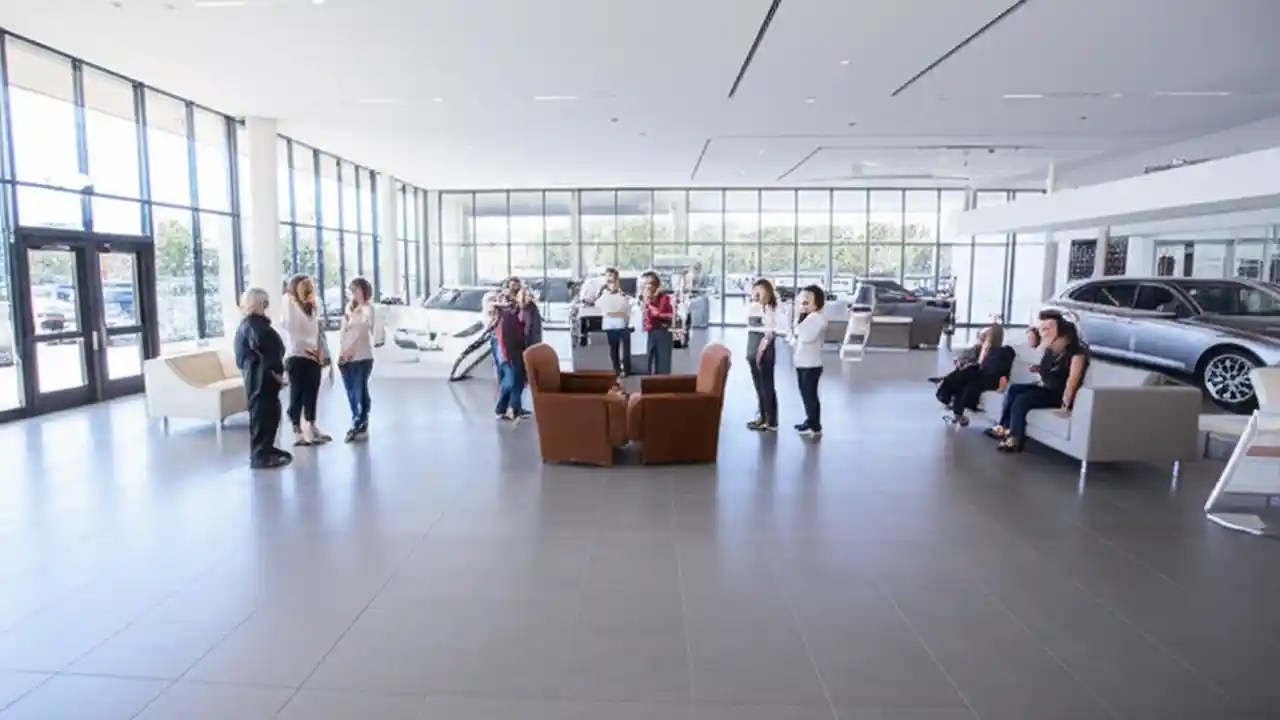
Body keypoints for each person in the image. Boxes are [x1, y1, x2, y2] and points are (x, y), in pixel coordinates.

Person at [986, 315, 1089, 453]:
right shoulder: (1052, 352)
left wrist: (1065, 406)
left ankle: (1015, 438)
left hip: (1057, 394)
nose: (1051, 341)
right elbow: (1048, 371)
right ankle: (1003, 427)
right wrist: (1039, 370)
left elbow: (1072, 380)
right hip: (1046, 389)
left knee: (1022, 401)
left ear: (1066, 338)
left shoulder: (1077, 354)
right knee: (1014, 389)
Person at [234, 288, 291, 470]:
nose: (267, 305)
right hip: (259, 377)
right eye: (264, 301)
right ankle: (260, 455)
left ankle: (267, 448)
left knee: (270, 413)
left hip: (264, 377)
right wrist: (273, 371)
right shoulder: (252, 324)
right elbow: (263, 347)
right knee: (262, 414)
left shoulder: (257, 323)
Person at [282, 274, 332, 446]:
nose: (309, 290)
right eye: (305, 286)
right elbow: (292, 332)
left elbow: (315, 332)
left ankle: (312, 427)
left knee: (312, 392)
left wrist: (318, 351)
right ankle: (297, 430)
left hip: (313, 355)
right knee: (297, 393)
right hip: (296, 356)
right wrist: (308, 349)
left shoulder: (312, 307)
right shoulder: (290, 305)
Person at [939, 325, 1015, 426]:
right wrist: (982, 351)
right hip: (981, 375)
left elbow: (995, 370)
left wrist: (983, 354)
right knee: (966, 377)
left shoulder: (1005, 351)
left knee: (969, 371)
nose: (983, 339)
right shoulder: (982, 348)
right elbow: (978, 363)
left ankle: (945, 389)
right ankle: (953, 404)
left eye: (986, 336)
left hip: (992, 378)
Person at [746, 278, 789, 432]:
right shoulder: (753, 306)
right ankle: (762, 416)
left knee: (767, 385)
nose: (756, 293)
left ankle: (771, 420)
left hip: (765, 350)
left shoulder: (775, 308)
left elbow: (782, 326)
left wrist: (768, 317)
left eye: (760, 290)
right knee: (758, 386)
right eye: (755, 290)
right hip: (752, 349)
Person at [337, 277, 375, 443]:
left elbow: (365, 329)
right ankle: (357, 418)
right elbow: (344, 331)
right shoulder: (349, 308)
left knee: (359, 389)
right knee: (351, 390)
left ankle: (359, 421)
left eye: (357, 290)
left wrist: (352, 350)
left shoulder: (368, 309)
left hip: (362, 356)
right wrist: (343, 352)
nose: (353, 293)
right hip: (346, 356)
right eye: (352, 290)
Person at [492, 277, 532, 420]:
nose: (516, 288)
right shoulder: (503, 306)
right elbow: (500, 329)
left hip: (516, 346)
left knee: (518, 378)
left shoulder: (522, 307)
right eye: (512, 285)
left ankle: (515, 408)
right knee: (509, 379)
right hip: (504, 346)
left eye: (518, 285)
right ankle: (502, 408)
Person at [793, 285, 829, 438]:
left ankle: (815, 425)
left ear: (817, 303)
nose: (803, 304)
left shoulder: (818, 319)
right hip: (802, 363)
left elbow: (805, 336)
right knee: (805, 395)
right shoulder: (807, 318)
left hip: (811, 365)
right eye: (802, 301)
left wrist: (799, 320)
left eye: (807, 301)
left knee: (810, 395)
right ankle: (809, 420)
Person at [596, 271, 633, 377]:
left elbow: (626, 305)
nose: (610, 281)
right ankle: (616, 369)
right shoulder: (603, 292)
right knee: (614, 347)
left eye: (611, 278)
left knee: (625, 346)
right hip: (609, 323)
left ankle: (626, 368)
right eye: (607, 278)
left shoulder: (622, 293)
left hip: (620, 322)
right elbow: (599, 304)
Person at [641, 270, 675, 374]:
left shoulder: (664, 298)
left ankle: (662, 386)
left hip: (662, 332)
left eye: (650, 283)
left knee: (663, 365)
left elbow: (658, 313)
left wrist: (649, 304)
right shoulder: (644, 299)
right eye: (645, 284)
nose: (647, 287)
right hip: (648, 332)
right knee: (645, 363)